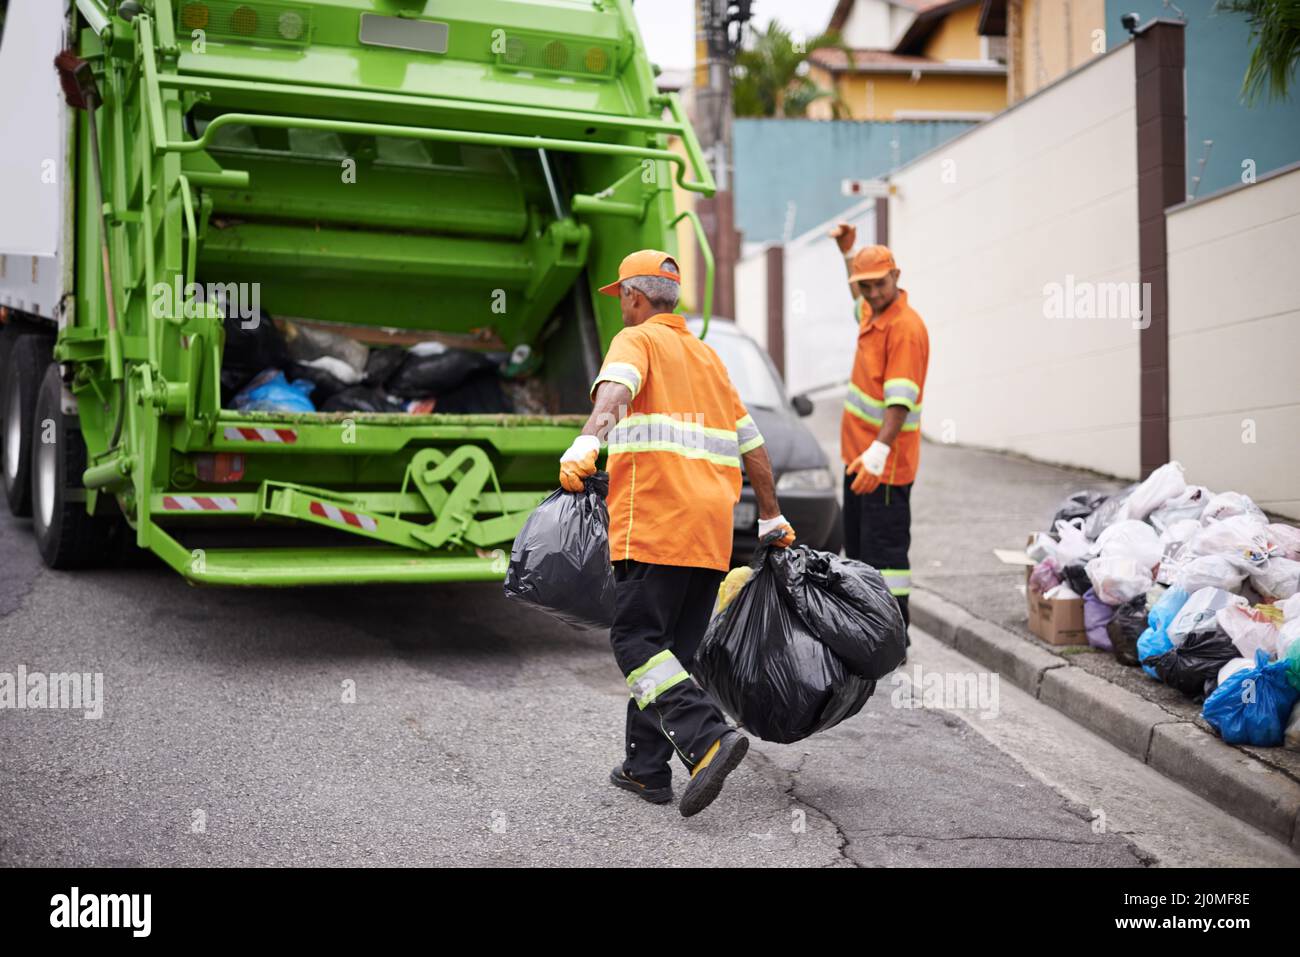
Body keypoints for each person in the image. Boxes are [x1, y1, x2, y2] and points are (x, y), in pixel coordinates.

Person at [559, 249, 796, 817]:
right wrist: (770, 515)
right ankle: (646, 771)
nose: (621, 308)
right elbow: (753, 446)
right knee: (670, 656)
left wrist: (587, 442)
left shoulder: (637, 340)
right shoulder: (710, 359)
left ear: (637, 299)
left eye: (622, 299)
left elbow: (613, 393)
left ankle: (707, 736)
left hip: (655, 523)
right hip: (710, 534)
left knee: (635, 643)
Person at [828, 223, 930, 643]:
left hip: (883, 468)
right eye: (865, 286)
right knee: (861, 553)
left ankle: (893, 638)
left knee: (886, 558)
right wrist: (847, 253)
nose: (871, 293)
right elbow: (858, 297)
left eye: (878, 284)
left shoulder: (905, 329)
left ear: (897, 277)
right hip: (860, 461)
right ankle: (868, 630)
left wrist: (877, 454)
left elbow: (899, 403)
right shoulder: (874, 313)